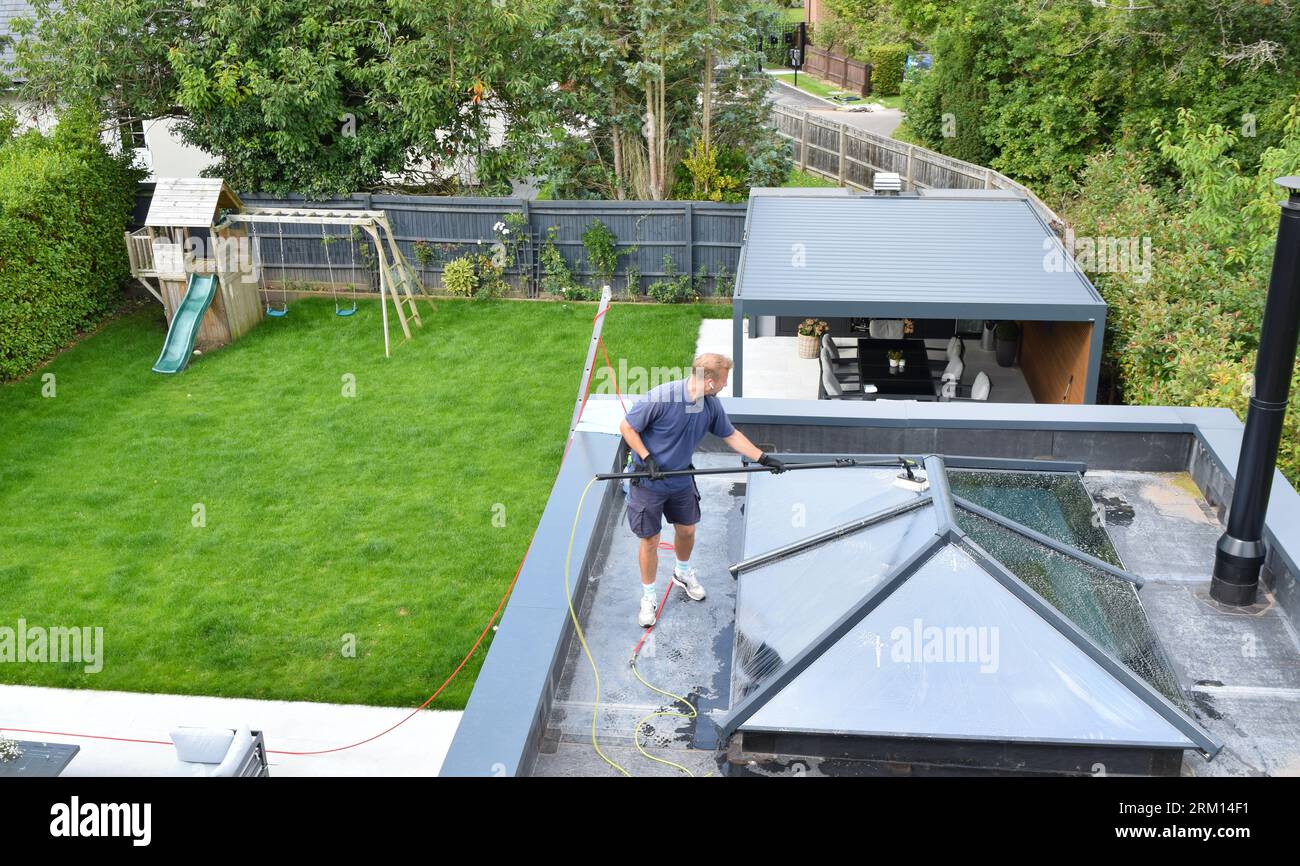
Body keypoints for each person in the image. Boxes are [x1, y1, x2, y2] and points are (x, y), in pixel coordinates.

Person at [619, 353, 785, 627]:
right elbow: (627, 426)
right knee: (650, 539)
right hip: (648, 481)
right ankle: (648, 596)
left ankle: (682, 573)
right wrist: (647, 458)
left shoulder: (710, 405)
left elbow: (730, 435)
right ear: (709, 380)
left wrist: (762, 458)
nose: (724, 385)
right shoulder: (664, 396)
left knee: (687, 529)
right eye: (723, 380)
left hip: (681, 478)